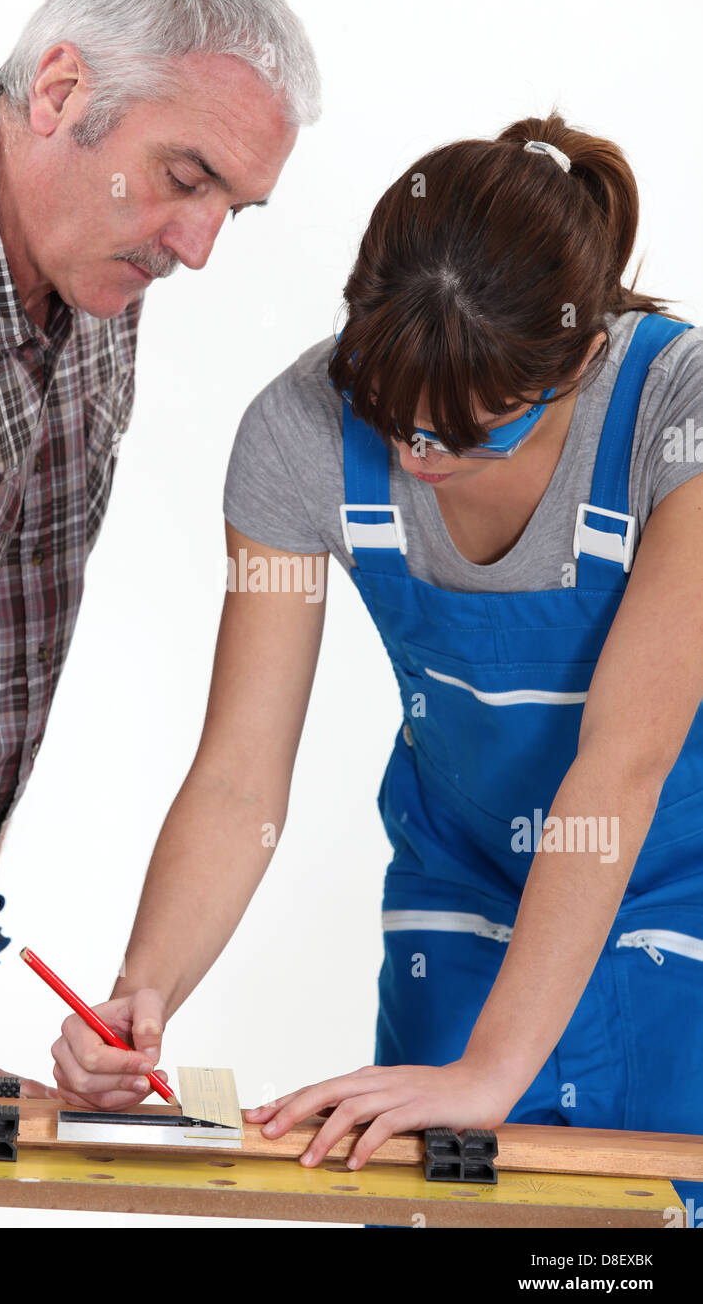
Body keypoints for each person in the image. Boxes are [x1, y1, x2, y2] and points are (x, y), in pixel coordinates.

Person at [52, 112, 703, 1213]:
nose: (415, 455)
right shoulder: (296, 432)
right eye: (389, 412)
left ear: (581, 359)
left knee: (631, 1243)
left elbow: (622, 762)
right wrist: (140, 992)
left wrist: (490, 1069)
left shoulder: (675, 415)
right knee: (436, 1205)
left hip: (680, 886)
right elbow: (239, 776)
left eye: (468, 433)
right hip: (461, 894)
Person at [0, 0, 318, 1223]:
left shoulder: (94, 273)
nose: (199, 247)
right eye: (186, 178)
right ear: (58, 92)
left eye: (232, 209)